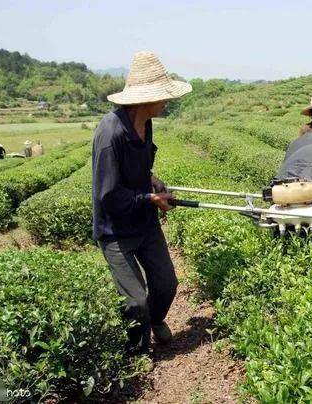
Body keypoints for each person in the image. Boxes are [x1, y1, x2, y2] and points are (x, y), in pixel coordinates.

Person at [92, 51, 192, 354]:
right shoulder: (110, 134)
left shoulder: (146, 123)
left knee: (166, 284)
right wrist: (150, 198)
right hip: (116, 230)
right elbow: (108, 195)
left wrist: (154, 184)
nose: (167, 102)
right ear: (144, 99)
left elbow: (141, 169)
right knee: (135, 302)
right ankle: (137, 350)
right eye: (163, 96)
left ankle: (155, 318)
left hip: (144, 222)